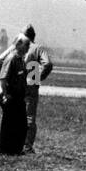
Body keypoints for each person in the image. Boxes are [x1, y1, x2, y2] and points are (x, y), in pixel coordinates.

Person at [17, 25, 53, 153]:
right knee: (29, 117)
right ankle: (27, 146)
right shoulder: (38, 48)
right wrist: (38, 77)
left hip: (17, 84)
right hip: (31, 84)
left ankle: (15, 143)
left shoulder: (17, 47)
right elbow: (48, 64)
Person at [0, 34, 30, 155]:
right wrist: (5, 95)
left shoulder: (21, 59)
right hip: (11, 96)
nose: (28, 47)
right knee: (9, 124)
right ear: (19, 44)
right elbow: (3, 79)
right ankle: (5, 150)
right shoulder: (11, 59)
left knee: (21, 125)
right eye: (26, 45)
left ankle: (16, 149)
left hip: (19, 97)